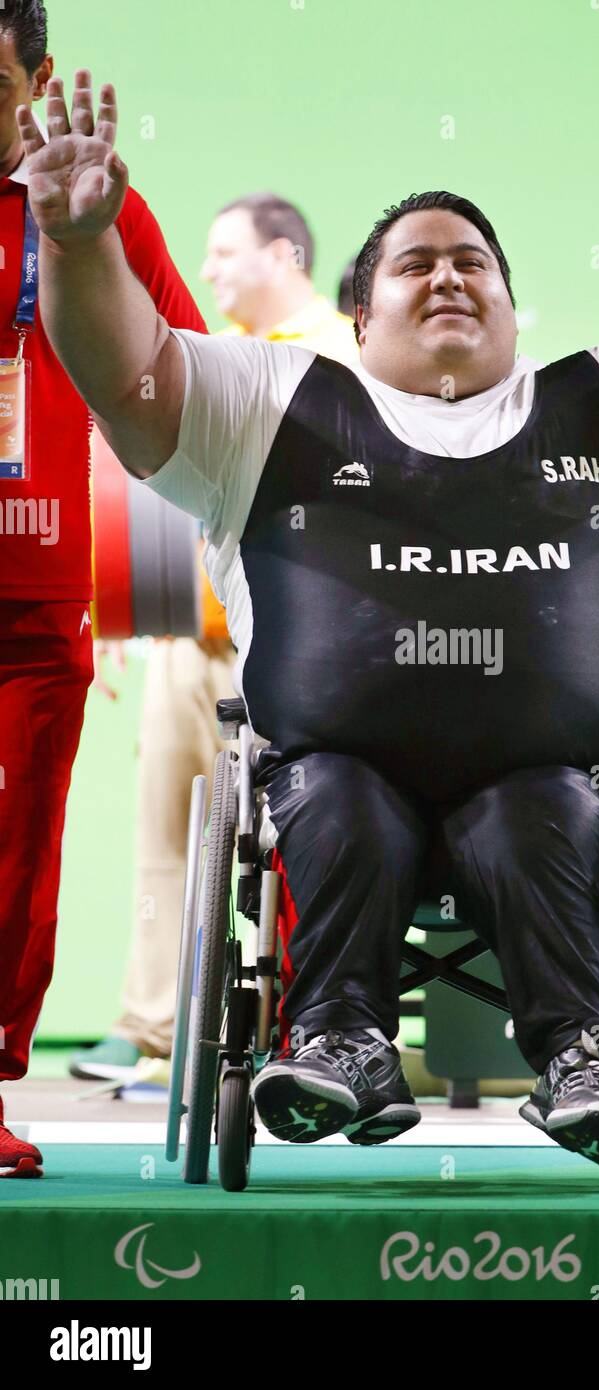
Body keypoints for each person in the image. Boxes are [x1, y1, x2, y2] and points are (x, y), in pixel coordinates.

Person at [20, 63, 599, 1167]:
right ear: (359, 310)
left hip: (542, 782)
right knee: (338, 793)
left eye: (472, 261)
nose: (447, 277)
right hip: (332, 771)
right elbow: (125, 369)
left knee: (536, 811)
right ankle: (337, 1036)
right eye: (414, 263)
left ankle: (585, 1049)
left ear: (515, 309)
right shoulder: (268, 404)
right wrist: (83, 242)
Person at [70, 194, 357, 1080]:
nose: (209, 271)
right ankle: (151, 1028)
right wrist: (107, 601)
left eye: (225, 251)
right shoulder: (209, 360)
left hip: (288, 641)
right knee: (172, 831)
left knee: (298, 829)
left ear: (285, 256)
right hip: (187, 635)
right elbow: (145, 489)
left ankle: (307, 1026)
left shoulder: (342, 351)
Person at [0, 8, 206, 1176]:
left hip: (37, 609)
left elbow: (192, 374)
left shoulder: (101, 212)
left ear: (41, 78)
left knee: (13, 873)